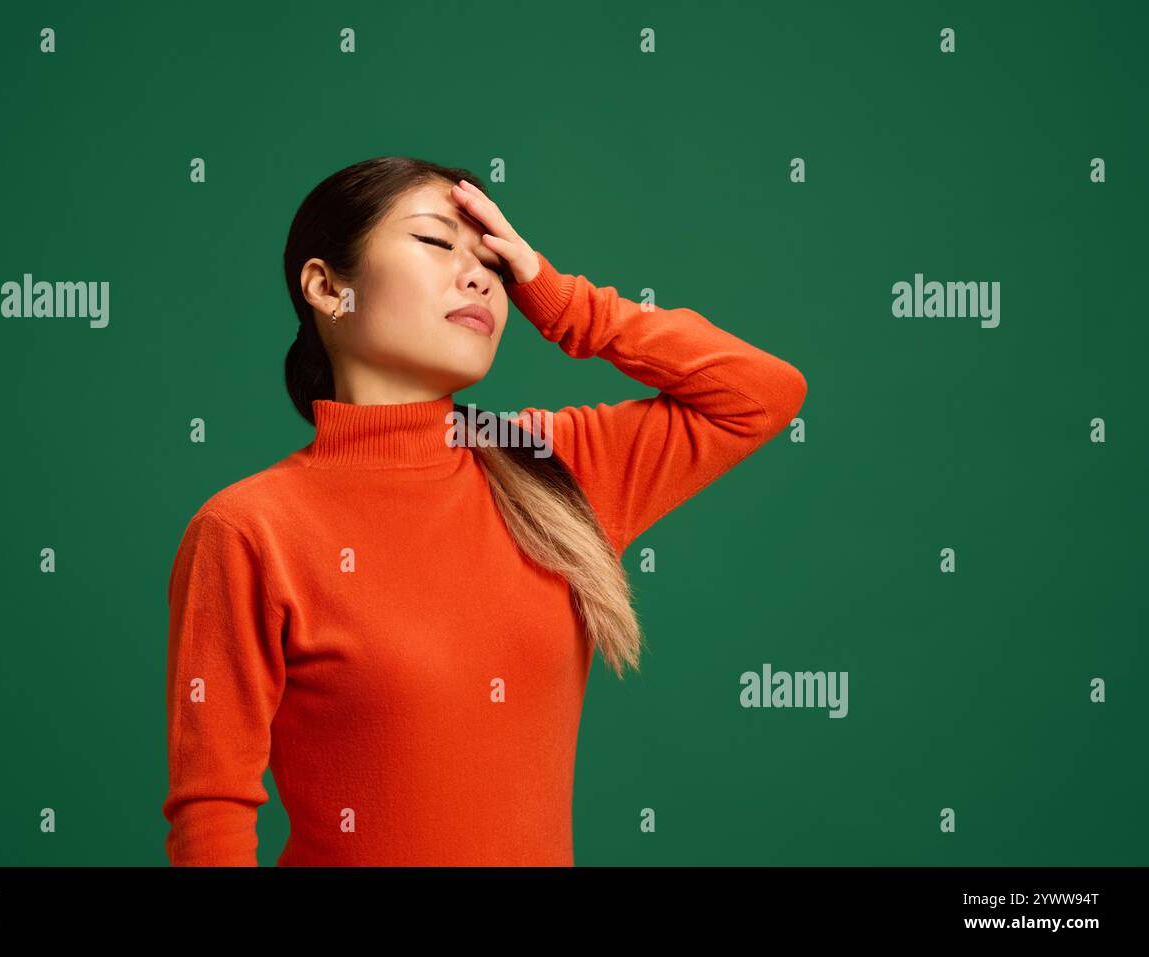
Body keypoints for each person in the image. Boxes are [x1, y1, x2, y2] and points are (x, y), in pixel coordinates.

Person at [162, 156, 807, 866]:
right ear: (326, 286)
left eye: (493, 265)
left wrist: (560, 299)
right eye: (437, 243)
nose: (479, 278)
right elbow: (213, 808)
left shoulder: (548, 464)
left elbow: (762, 392)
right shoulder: (250, 527)